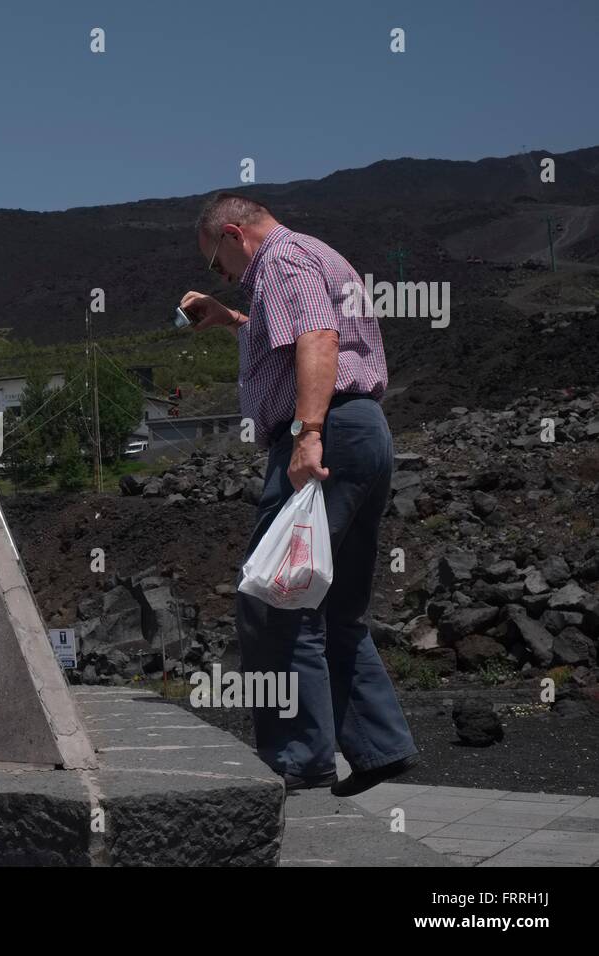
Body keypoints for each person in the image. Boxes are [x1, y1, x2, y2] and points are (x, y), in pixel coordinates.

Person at [179, 192, 419, 796]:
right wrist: (231, 320)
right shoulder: (313, 255)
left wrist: (308, 434)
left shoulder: (280, 262)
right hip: (361, 432)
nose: (224, 277)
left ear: (234, 234)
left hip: (324, 434)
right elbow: (300, 333)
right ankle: (377, 746)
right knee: (334, 605)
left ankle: (298, 760)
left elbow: (317, 339)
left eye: (217, 264)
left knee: (273, 598)